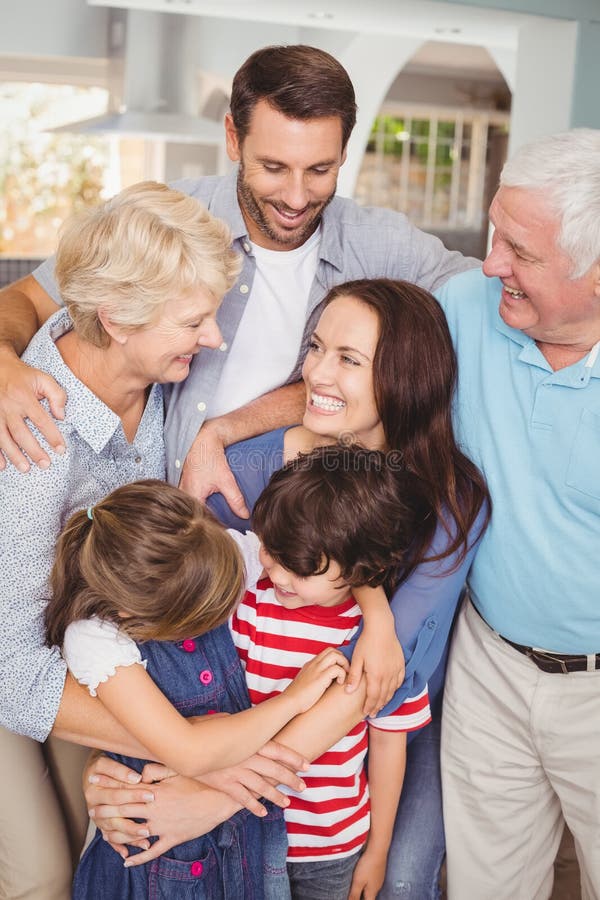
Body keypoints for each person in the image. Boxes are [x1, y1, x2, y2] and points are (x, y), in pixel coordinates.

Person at [85, 279, 491, 899]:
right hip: (244, 718)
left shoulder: (451, 501)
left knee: (402, 881)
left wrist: (213, 795)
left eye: (349, 360)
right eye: (317, 348)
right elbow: (178, 638)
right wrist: (121, 768)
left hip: (386, 730)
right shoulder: (254, 468)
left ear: (405, 378)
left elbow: (372, 681)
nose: (318, 375)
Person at [0, 43, 477, 516]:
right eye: (273, 167)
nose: (295, 197)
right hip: (164, 527)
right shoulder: (168, 219)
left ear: (343, 152)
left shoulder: (383, 245)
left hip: (286, 527)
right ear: (233, 137)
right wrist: (2, 361)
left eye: (319, 170)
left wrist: (226, 428)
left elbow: (491, 294)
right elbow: (25, 299)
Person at [0, 181, 313, 900]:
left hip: (85, 654)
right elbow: (14, 674)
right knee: (44, 874)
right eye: (194, 322)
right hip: (11, 661)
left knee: (120, 832)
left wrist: (223, 430)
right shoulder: (36, 439)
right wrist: (193, 756)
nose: (213, 339)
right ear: (117, 319)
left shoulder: (161, 377)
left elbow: (325, 388)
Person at [432, 128, 600, 899]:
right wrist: (227, 432)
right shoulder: (465, 307)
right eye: (497, 232)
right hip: (490, 664)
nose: (491, 260)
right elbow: (354, 378)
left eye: (521, 252)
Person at [46, 479, 350, 899]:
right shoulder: (96, 639)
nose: (236, 603)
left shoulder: (205, 552)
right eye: (211, 610)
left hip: (240, 849)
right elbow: (188, 750)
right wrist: (292, 700)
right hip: (152, 870)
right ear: (137, 612)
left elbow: (328, 542)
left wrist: (376, 607)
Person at [231, 445, 433, 900]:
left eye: (299, 568)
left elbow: (387, 747)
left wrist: (378, 851)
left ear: (364, 569)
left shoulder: (377, 646)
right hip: (244, 831)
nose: (277, 575)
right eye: (270, 550)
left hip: (332, 843)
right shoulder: (249, 601)